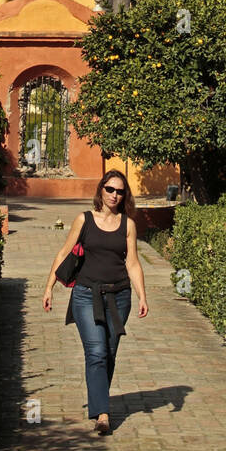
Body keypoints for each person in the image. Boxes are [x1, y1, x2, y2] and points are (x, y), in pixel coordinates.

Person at [42, 171, 148, 435]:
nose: (114, 195)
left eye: (120, 191)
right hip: (86, 295)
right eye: (110, 189)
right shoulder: (84, 220)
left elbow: (132, 262)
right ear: (101, 190)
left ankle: (100, 401)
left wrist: (142, 295)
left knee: (109, 353)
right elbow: (64, 253)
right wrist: (49, 287)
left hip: (119, 296)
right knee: (97, 352)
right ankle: (103, 414)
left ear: (125, 195)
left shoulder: (128, 225)